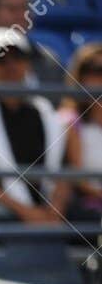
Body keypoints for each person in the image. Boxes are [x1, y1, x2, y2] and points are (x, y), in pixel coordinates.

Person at [0, 28, 69, 230]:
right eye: (0, 59)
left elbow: (64, 171)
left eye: (18, 58)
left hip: (45, 207)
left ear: (28, 65)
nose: (10, 66)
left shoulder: (44, 111)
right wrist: (26, 212)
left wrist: (56, 209)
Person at [59, 42, 102, 224]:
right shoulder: (70, 120)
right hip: (89, 204)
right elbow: (78, 179)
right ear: (80, 76)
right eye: (94, 70)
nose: (100, 77)